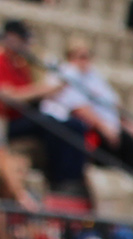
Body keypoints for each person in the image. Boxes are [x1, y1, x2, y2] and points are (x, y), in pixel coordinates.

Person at [46, 39, 133, 173]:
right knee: (111, 142)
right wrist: (104, 127)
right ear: (70, 57)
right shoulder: (68, 74)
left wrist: (127, 124)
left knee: (130, 140)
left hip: (108, 124)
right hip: (90, 125)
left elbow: (113, 103)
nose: (85, 61)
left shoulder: (94, 76)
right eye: (81, 57)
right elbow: (79, 107)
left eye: (87, 56)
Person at [0, 22, 76, 189]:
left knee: (75, 125)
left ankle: (72, 180)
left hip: (28, 116)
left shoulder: (22, 65)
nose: (27, 45)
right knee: (49, 125)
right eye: (23, 40)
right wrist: (42, 90)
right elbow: (8, 97)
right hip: (9, 122)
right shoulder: (1, 61)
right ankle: (60, 180)